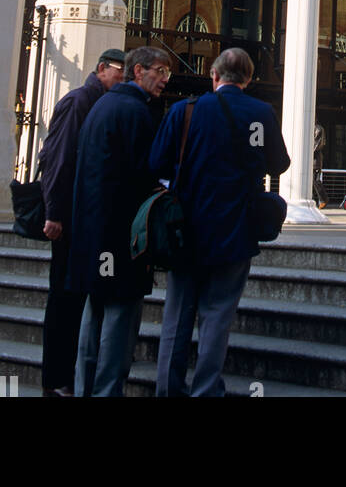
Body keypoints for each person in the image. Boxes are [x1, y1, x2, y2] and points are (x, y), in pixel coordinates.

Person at [149, 47, 289, 397]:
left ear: (214, 75)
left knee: (177, 313)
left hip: (186, 226)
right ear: (249, 79)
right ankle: (206, 388)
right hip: (236, 227)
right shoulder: (260, 113)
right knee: (218, 314)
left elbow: (158, 164)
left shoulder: (185, 110)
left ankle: (168, 387)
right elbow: (279, 164)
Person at [67, 45, 171, 396]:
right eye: (159, 71)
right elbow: (146, 171)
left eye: (166, 72)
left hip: (94, 234)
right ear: (138, 71)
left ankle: (85, 388)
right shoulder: (135, 111)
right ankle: (107, 391)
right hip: (120, 235)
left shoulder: (104, 105)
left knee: (95, 312)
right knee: (120, 318)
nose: (164, 80)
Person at [36, 46, 126, 396]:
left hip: (83, 217)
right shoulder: (79, 101)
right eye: (120, 69)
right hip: (68, 218)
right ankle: (56, 379)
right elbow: (57, 161)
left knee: (74, 297)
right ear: (102, 68)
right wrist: (54, 213)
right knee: (63, 299)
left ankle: (66, 375)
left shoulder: (98, 101)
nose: (123, 76)